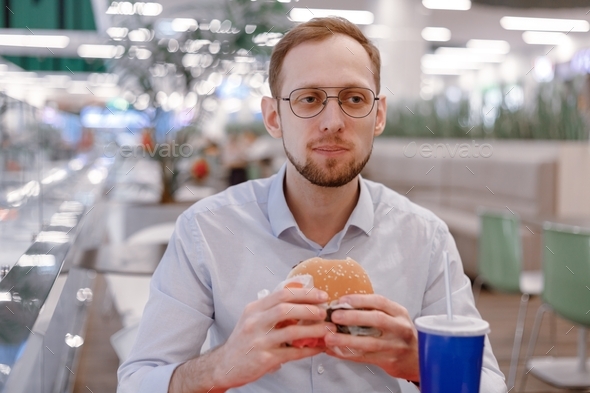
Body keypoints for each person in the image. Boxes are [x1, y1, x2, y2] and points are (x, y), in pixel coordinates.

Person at [118, 17, 506, 393]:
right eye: (309, 99)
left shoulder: (427, 238)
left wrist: (419, 362)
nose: (332, 121)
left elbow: (489, 384)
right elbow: (137, 381)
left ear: (379, 115)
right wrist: (221, 365)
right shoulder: (206, 230)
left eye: (354, 98)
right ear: (273, 116)